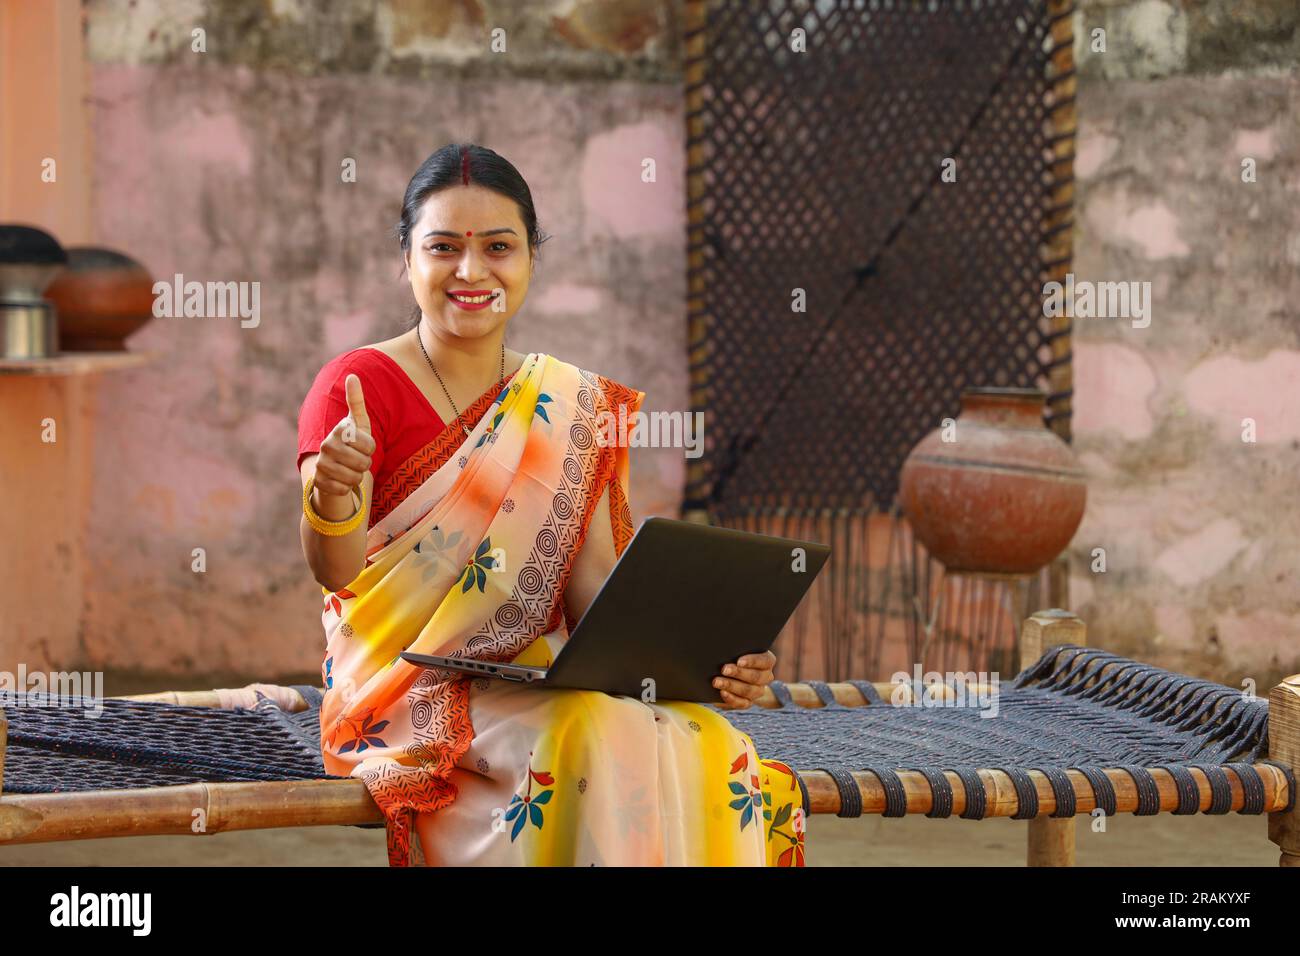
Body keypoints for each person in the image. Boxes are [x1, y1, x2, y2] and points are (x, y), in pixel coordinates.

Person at [296, 143, 807, 866]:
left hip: (530, 678)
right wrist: (334, 494)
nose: (472, 273)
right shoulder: (356, 384)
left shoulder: (570, 402)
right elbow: (334, 568)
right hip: (399, 695)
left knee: (709, 739)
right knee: (586, 738)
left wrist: (704, 662)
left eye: (499, 247)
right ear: (405, 259)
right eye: (443, 247)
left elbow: (595, 587)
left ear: (532, 258)